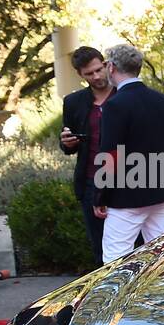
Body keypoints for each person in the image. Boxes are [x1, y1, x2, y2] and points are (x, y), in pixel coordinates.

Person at [95, 44, 164, 262]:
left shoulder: (115, 105)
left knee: (115, 262)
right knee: (161, 260)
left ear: (112, 67)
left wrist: (100, 195)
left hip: (126, 197)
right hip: (160, 194)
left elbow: (111, 157)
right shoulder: (162, 101)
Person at [59, 46, 115, 265]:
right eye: (89, 74)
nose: (97, 76)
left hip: (128, 178)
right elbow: (69, 143)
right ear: (80, 75)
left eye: (99, 69)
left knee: (134, 245)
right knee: (100, 246)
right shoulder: (74, 102)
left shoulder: (124, 94)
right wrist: (66, 142)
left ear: (105, 64)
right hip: (91, 180)